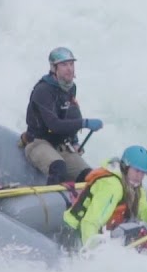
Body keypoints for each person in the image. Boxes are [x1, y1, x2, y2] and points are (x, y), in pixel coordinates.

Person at [63, 145, 147, 249]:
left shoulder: (136, 188)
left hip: (100, 230)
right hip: (76, 232)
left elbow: (144, 211)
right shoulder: (112, 186)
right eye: (137, 171)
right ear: (126, 167)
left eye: (143, 173)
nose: (139, 176)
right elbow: (90, 222)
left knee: (143, 238)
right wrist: (91, 253)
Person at [24, 47, 104, 185]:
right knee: (58, 167)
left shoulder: (70, 87)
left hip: (60, 145)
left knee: (89, 176)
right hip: (38, 142)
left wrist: (74, 141)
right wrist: (84, 123)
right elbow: (54, 124)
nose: (69, 69)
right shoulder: (43, 90)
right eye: (64, 65)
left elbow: (70, 114)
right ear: (54, 68)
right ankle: (50, 203)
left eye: (71, 64)